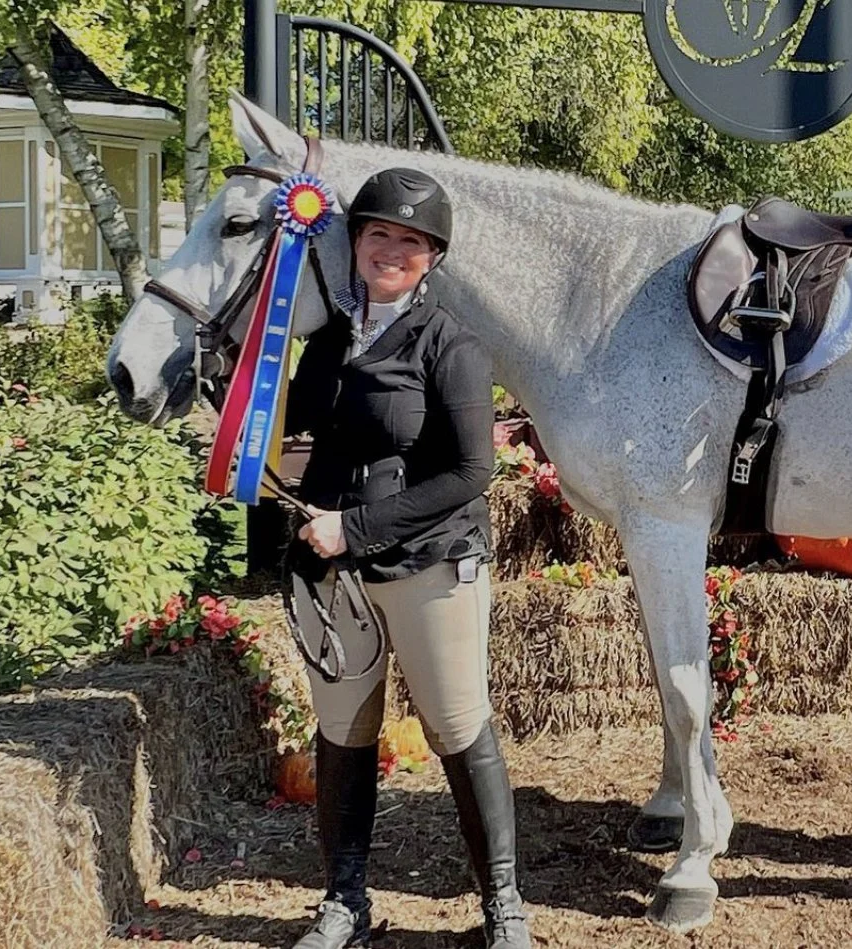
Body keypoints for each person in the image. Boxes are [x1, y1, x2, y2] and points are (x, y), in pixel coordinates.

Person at [280, 167, 531, 949]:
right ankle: (344, 901)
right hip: (332, 571)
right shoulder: (323, 342)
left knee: (457, 724)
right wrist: (284, 518)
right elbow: (297, 442)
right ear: (356, 240)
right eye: (379, 232)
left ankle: (503, 905)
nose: (392, 248)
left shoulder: (451, 345)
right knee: (342, 730)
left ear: (432, 258)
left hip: (429, 561)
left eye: (411, 241)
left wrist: (355, 527)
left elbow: (470, 474)